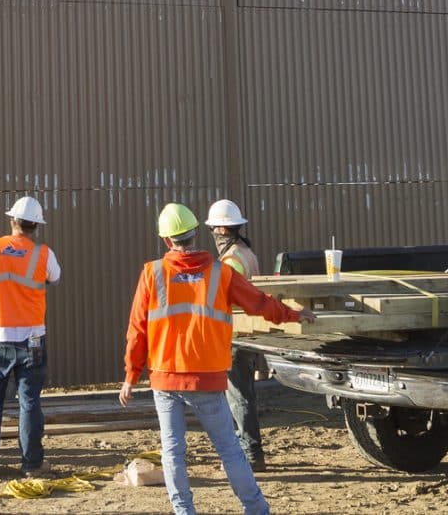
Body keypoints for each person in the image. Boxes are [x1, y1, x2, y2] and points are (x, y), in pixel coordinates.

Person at [120, 203, 315, 515]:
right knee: (229, 449)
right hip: (208, 378)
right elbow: (259, 304)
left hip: (165, 377)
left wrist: (131, 376)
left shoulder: (152, 273)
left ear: (167, 241)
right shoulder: (220, 273)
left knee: (173, 452)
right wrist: (294, 314)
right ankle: (256, 509)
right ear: (196, 234)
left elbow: (136, 331)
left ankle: (184, 511)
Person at [0, 195, 59, 480]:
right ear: (36, 226)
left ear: (12, 221)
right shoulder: (44, 254)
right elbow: (55, 277)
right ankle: (32, 465)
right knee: (29, 401)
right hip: (32, 338)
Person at [206, 198, 268, 469]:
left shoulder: (231, 260)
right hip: (247, 332)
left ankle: (249, 452)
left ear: (220, 230)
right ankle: (250, 448)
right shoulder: (245, 251)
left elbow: (223, 299)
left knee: (239, 395)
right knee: (244, 393)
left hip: (236, 336)